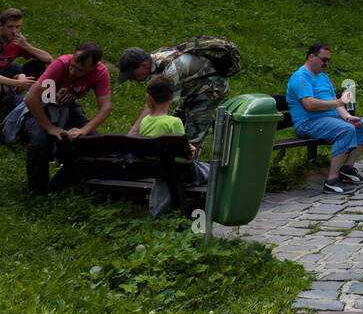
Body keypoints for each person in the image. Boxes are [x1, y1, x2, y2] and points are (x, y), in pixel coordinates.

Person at [14, 43, 112, 195]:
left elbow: (105, 108)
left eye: (80, 70)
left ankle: (62, 184)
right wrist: (49, 127)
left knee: (93, 143)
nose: (72, 72)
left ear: (92, 68)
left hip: (67, 106)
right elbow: (31, 99)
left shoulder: (100, 73)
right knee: (40, 144)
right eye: (72, 66)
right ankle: (38, 191)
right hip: (42, 104)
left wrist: (83, 130)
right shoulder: (60, 64)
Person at [286, 43, 363, 194]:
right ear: (311, 57)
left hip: (329, 120)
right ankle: (332, 181)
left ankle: (347, 169)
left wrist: (347, 117)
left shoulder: (323, 77)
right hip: (308, 123)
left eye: (328, 61)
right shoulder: (300, 77)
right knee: (345, 130)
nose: (326, 64)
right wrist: (339, 103)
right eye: (324, 60)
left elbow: (334, 102)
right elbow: (309, 105)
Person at [118, 38, 237, 150]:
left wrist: (134, 131)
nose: (132, 79)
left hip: (211, 90)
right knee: (173, 133)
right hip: (193, 89)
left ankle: (190, 167)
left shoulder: (172, 68)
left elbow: (153, 103)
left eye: (132, 75)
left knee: (190, 142)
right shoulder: (154, 62)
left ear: (143, 65)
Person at [129, 74, 207, 216]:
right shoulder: (174, 122)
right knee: (211, 169)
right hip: (179, 172)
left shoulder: (145, 121)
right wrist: (191, 151)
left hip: (155, 170)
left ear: (149, 97)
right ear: (172, 96)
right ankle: (202, 215)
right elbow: (187, 156)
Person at [0, 8, 54, 116]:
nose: (14, 31)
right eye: (10, 27)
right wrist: (18, 82)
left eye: (18, 27)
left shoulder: (17, 42)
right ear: (1, 25)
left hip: (7, 76)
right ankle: (19, 108)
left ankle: (47, 105)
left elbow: (49, 59)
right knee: (16, 68)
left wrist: (26, 46)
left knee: (37, 64)